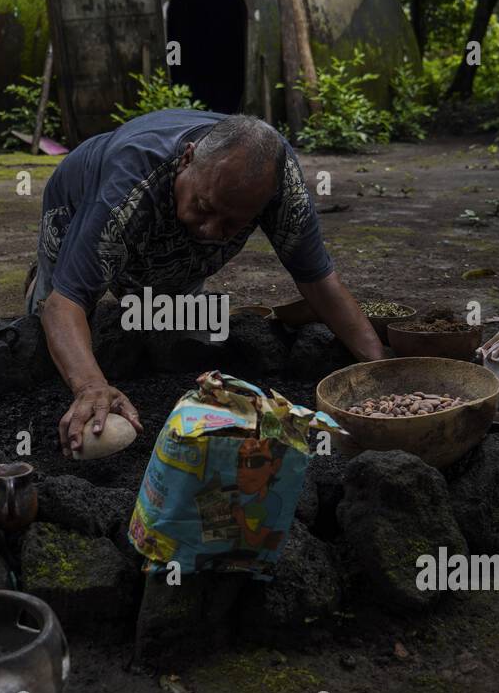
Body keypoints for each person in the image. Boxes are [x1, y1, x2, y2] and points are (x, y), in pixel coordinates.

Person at [26, 108, 383, 456]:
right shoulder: (129, 182)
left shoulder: (279, 182)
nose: (212, 231)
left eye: (233, 224)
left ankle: (145, 290)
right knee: (48, 322)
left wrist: (380, 372)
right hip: (79, 202)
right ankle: (48, 289)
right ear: (187, 159)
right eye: (204, 206)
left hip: (166, 243)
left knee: (171, 324)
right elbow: (66, 304)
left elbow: (319, 281)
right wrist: (91, 387)